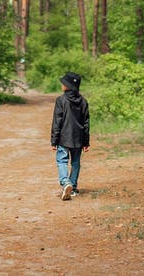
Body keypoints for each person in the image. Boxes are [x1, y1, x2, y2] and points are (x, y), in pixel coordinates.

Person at [50, 71, 90, 200]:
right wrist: (86, 141)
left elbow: (57, 121)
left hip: (64, 137)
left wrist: (54, 140)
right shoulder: (83, 101)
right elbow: (86, 123)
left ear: (68, 86)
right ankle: (73, 187)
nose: (62, 84)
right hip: (78, 138)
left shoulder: (61, 100)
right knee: (76, 162)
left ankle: (65, 182)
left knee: (62, 160)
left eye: (64, 83)